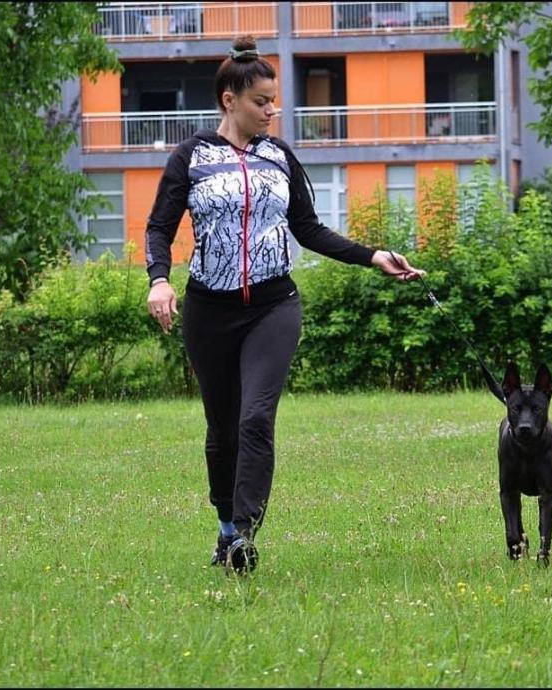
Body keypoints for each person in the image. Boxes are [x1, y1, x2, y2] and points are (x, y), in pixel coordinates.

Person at [144, 35, 424, 574]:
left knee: (255, 419)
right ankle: (225, 528)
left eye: (275, 100)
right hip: (210, 310)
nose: (273, 110)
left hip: (274, 304)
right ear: (230, 100)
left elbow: (309, 229)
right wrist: (160, 279)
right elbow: (159, 227)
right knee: (222, 428)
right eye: (261, 101)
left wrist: (373, 256)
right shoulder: (192, 156)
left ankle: (246, 535)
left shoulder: (279, 157)